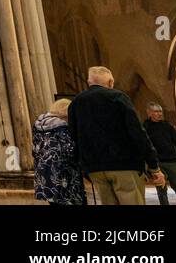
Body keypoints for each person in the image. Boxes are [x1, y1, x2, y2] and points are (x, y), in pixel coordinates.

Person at [67, 66, 162, 205]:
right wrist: (154, 165)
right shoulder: (117, 97)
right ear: (111, 82)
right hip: (124, 164)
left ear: (89, 82)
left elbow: (74, 137)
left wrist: (84, 166)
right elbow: (137, 132)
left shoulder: (75, 103)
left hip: (95, 168)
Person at [33, 98, 86, 205]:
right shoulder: (63, 127)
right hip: (63, 173)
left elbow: (34, 150)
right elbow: (69, 150)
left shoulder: (38, 125)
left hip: (44, 171)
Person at [143, 103, 176, 206]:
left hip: (172, 161)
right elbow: (144, 147)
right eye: (156, 112)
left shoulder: (168, 126)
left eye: (160, 111)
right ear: (149, 113)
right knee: (161, 191)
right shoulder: (145, 127)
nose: (159, 114)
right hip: (157, 164)